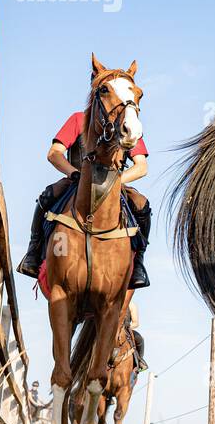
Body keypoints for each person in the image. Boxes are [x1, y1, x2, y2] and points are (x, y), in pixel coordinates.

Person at [16, 102, 152, 288]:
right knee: (46, 197)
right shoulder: (78, 119)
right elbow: (54, 154)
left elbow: (141, 166)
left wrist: (116, 182)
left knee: (142, 205)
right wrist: (74, 173)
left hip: (113, 185)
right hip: (77, 181)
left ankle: (138, 264)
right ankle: (33, 252)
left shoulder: (127, 125)